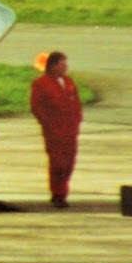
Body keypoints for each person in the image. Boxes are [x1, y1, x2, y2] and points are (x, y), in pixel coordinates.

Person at [30, 51, 83, 208]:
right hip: (54, 131)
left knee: (69, 163)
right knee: (58, 164)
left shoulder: (68, 82)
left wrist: (77, 121)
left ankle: (62, 191)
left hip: (70, 130)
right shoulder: (41, 84)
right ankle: (58, 194)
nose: (65, 67)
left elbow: (76, 103)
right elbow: (36, 107)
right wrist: (48, 125)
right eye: (62, 64)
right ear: (53, 66)